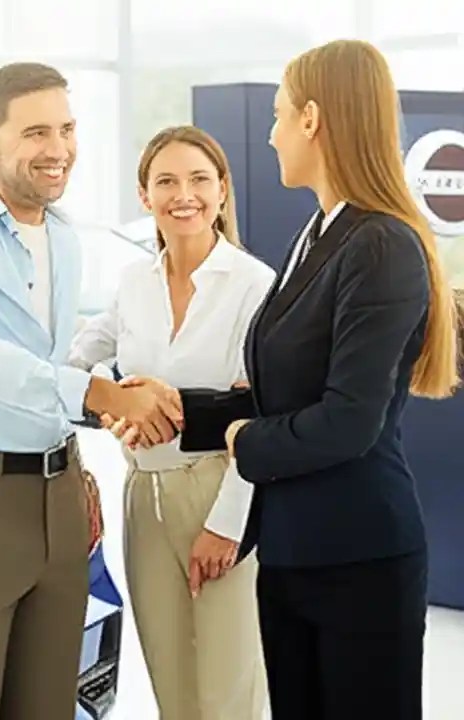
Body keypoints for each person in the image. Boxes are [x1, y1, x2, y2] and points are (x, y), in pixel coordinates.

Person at [135, 40, 458, 720]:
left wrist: (242, 441)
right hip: (295, 552)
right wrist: (165, 411)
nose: (272, 134)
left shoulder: (381, 243)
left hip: (357, 558)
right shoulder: (319, 232)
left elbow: (348, 420)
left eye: (280, 115)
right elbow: (282, 389)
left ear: (313, 119)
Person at [0, 61, 184, 720]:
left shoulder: (62, 235)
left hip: (58, 496)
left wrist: (94, 418)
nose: (58, 149)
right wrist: (102, 397)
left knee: (51, 706)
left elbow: (46, 363)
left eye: (67, 128)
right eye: (36, 133)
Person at [71, 125, 271, 719]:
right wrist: (113, 405)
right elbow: (72, 367)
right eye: (166, 182)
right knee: (171, 684)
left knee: (228, 687)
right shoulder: (134, 283)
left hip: (219, 492)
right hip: (142, 497)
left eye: (199, 180)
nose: (184, 194)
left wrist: (229, 525)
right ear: (144, 196)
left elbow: (261, 411)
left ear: (222, 191)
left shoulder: (254, 285)